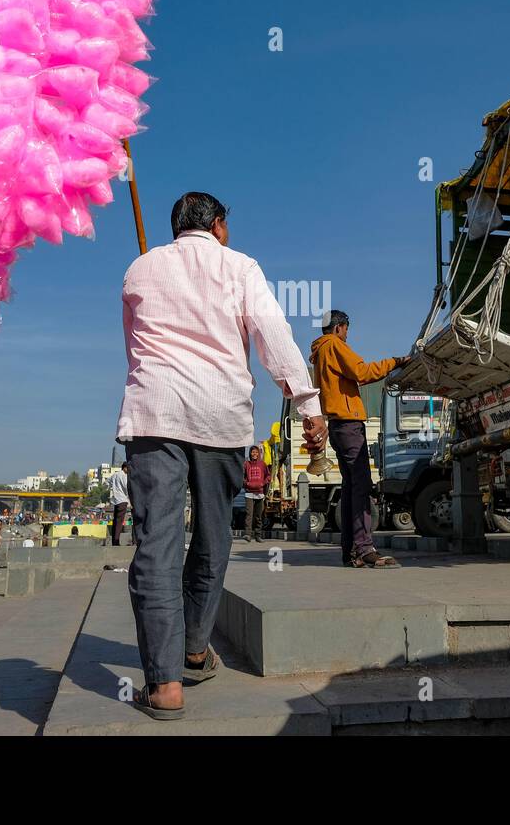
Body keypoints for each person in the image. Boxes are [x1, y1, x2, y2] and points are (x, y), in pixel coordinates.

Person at [117, 191, 326, 720]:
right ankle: (192, 648)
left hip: (154, 414)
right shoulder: (241, 267)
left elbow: (134, 347)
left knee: (156, 546)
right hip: (220, 418)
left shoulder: (140, 270)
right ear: (217, 225)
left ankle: (165, 685)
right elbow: (273, 335)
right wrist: (308, 403)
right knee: (213, 537)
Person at [310, 309, 407, 569]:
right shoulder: (333, 345)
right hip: (349, 425)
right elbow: (362, 372)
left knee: (352, 488)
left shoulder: (319, 351)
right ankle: (365, 549)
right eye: (346, 329)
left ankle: (351, 552)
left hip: (338, 426)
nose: (347, 334)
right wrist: (395, 362)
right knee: (361, 487)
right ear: (339, 327)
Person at [241, 445, 269, 542]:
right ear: (250, 453)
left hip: (260, 493)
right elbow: (242, 476)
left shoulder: (262, 464)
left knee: (258, 516)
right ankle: (248, 535)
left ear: (259, 453)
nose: (254, 454)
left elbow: (268, 476)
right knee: (249, 514)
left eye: (256, 452)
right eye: (253, 452)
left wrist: (263, 483)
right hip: (249, 493)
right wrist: (246, 483)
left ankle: (258, 535)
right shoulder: (246, 464)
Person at [109, 462, 131, 545]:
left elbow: (107, 482)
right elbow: (126, 487)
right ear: (124, 468)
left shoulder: (115, 475)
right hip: (122, 500)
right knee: (119, 522)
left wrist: (114, 488)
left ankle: (113, 541)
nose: (129, 470)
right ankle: (116, 541)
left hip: (116, 501)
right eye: (128, 468)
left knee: (115, 521)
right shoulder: (124, 476)